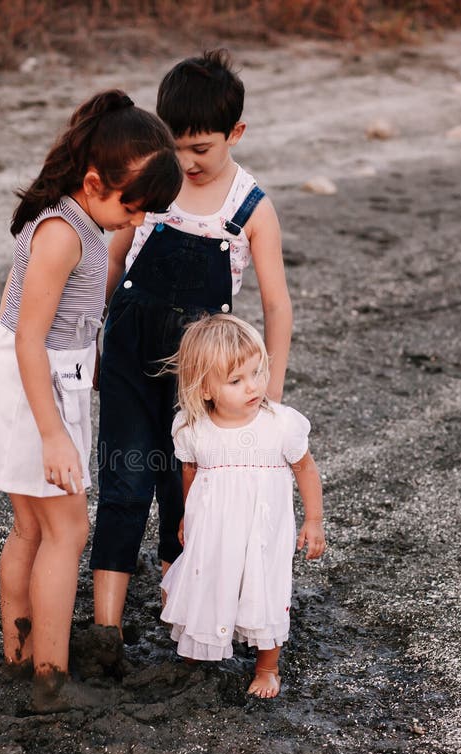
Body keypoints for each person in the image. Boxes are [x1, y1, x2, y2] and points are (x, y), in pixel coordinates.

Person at [0, 90, 182, 712]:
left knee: (30, 525)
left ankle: (17, 658)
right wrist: (54, 434)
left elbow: (15, 310)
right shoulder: (64, 233)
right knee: (67, 529)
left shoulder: (56, 213)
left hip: (23, 373)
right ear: (93, 181)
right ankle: (50, 677)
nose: (134, 222)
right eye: (130, 208)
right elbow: (31, 335)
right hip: (40, 390)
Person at [90, 50, 294, 647]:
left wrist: (271, 390)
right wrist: (92, 341)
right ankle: (105, 629)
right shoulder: (153, 186)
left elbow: (277, 305)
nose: (186, 164)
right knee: (125, 479)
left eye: (200, 150)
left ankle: (181, 611)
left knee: (187, 488)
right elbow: (112, 261)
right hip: (129, 352)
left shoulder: (250, 207)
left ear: (236, 133)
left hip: (202, 376)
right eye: (174, 147)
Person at [160, 314, 326, 699]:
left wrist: (313, 520)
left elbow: (305, 469)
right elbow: (190, 473)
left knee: (264, 587)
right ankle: (199, 645)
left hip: (263, 532)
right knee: (207, 579)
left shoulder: (279, 425)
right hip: (213, 528)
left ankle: (267, 667)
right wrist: (187, 514)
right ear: (205, 389)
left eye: (256, 371)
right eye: (236, 380)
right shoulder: (192, 428)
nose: (253, 386)